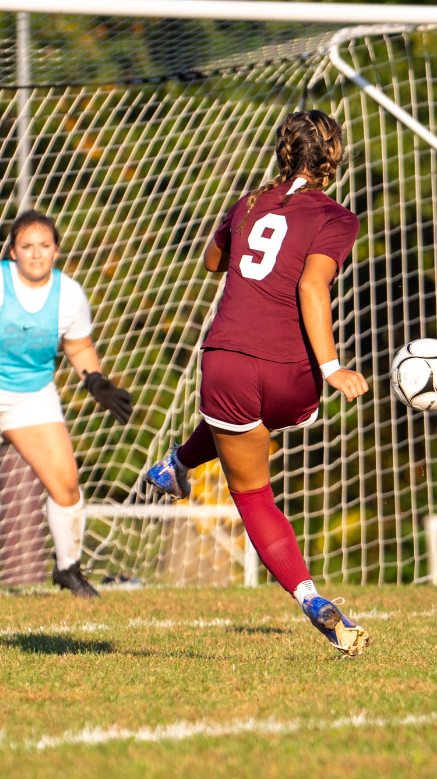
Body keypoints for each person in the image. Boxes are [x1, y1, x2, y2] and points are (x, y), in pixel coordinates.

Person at [146, 110, 372, 656]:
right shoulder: (336, 215)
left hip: (224, 358)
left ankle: (311, 599)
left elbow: (212, 262)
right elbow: (313, 287)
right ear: (332, 157)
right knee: (258, 420)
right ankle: (176, 465)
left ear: (282, 153)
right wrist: (331, 367)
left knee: (251, 489)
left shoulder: (246, 204)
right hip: (291, 374)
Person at [0, 210, 133, 602]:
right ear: (12, 252)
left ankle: (68, 569)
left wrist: (95, 380)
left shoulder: (70, 294)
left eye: (44, 246)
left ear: (56, 250)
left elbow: (78, 346)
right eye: (26, 246)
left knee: (66, 485)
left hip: (30, 393)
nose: (36, 254)